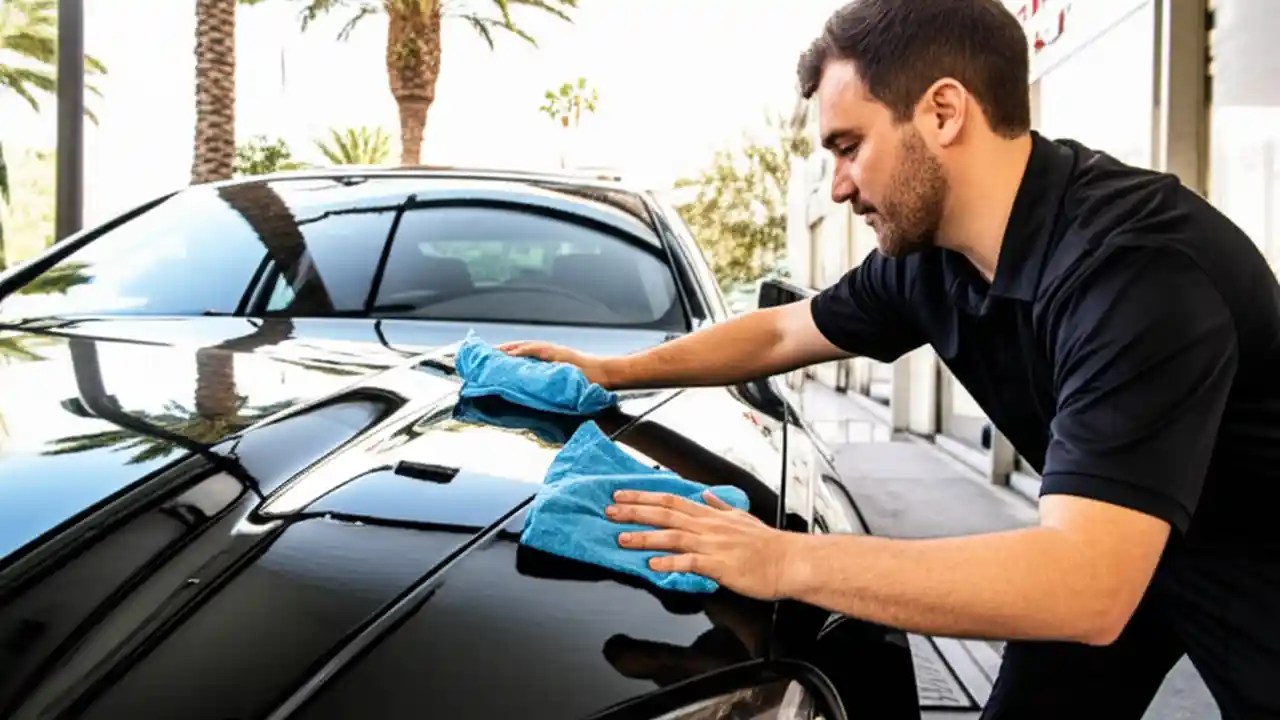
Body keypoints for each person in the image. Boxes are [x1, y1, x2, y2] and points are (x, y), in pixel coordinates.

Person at [500, 0, 1280, 717]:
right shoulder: (930, 258)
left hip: (1239, 559)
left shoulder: (1135, 269)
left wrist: (781, 561)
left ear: (943, 111)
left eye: (848, 147)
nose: (837, 186)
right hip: (1106, 526)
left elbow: (1087, 585)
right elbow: (778, 334)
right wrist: (608, 371)